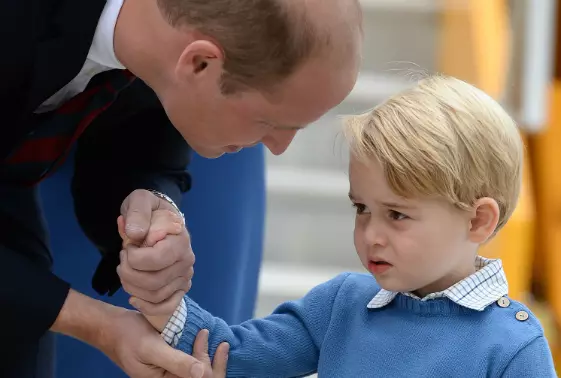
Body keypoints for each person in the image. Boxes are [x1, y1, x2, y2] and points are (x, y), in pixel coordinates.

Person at [0, 0, 362, 376]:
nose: (278, 147)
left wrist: (147, 201)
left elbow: (138, 134)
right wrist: (98, 323)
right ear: (200, 63)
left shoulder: (160, 42)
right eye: (269, 121)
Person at [142, 75, 557, 377]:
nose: (370, 234)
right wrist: (165, 307)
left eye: (397, 214)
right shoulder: (341, 305)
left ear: (478, 220)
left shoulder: (513, 345)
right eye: (362, 208)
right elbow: (235, 353)